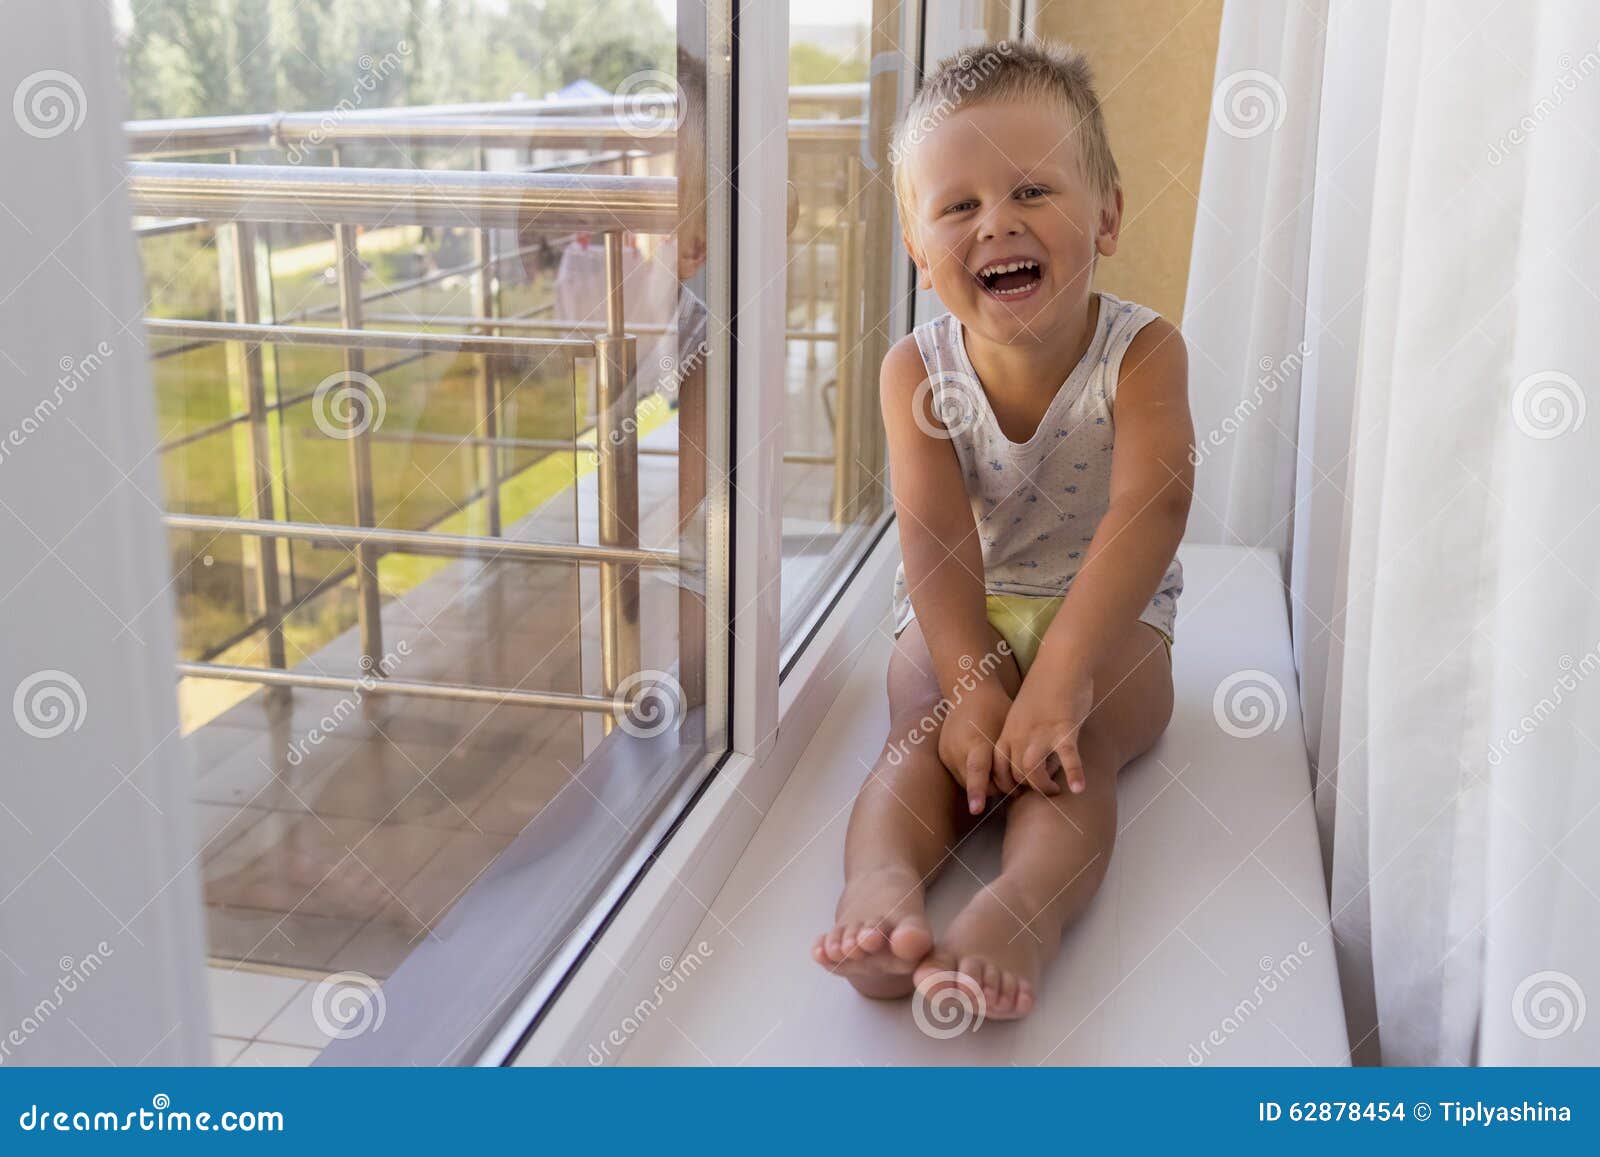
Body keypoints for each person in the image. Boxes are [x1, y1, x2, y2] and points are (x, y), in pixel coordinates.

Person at [811, 38, 1193, 1021]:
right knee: (922, 736)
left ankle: (1022, 907)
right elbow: (935, 543)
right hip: (962, 608)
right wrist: (976, 680)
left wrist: (1061, 673)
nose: (997, 223)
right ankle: (880, 883)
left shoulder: (1143, 353)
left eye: (1032, 191)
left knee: (1077, 754)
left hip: (1110, 611)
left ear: (1104, 213)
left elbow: (1150, 508)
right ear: (914, 242)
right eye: (957, 205)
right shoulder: (914, 369)